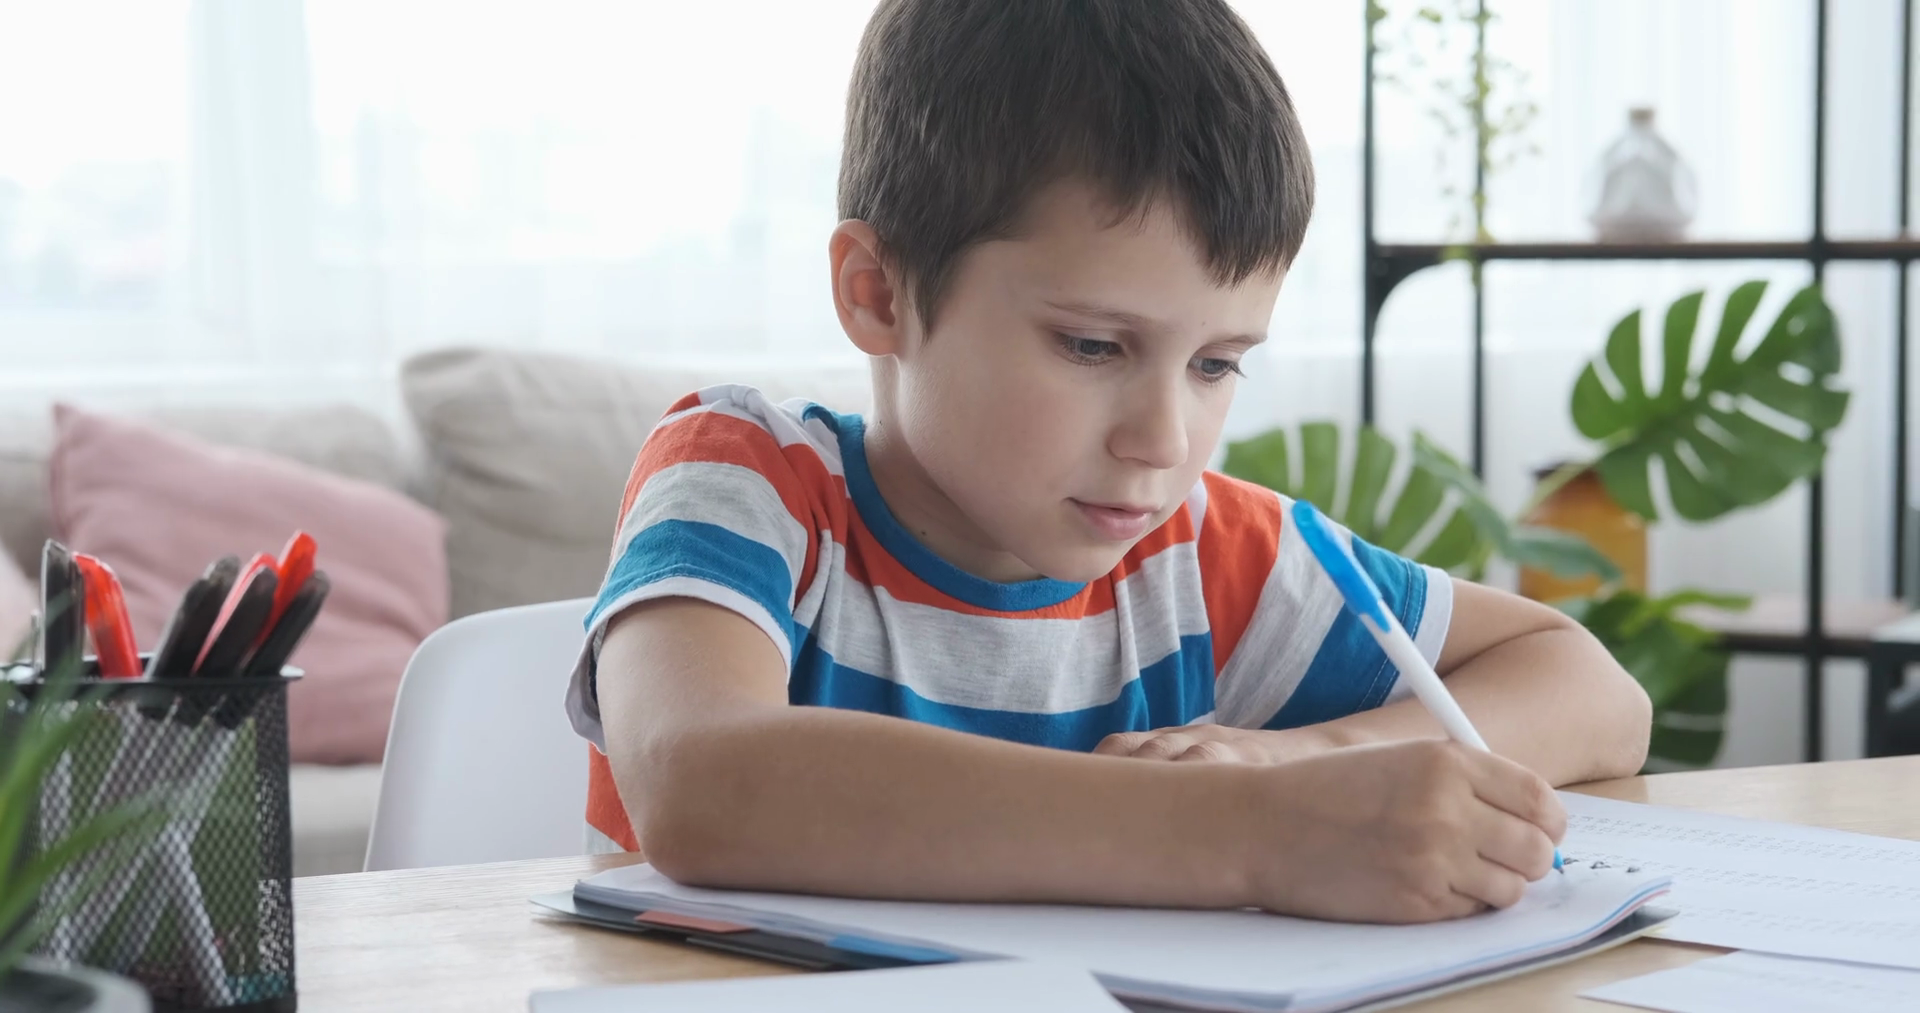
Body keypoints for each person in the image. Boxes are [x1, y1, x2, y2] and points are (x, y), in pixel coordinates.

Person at [566, 0, 1651, 924]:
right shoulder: (749, 479)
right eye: (1094, 345)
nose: (1164, 439)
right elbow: (700, 779)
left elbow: (1595, 692)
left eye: (1218, 363)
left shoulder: (1197, 550)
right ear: (878, 293)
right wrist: (1248, 832)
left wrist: (1300, 758)